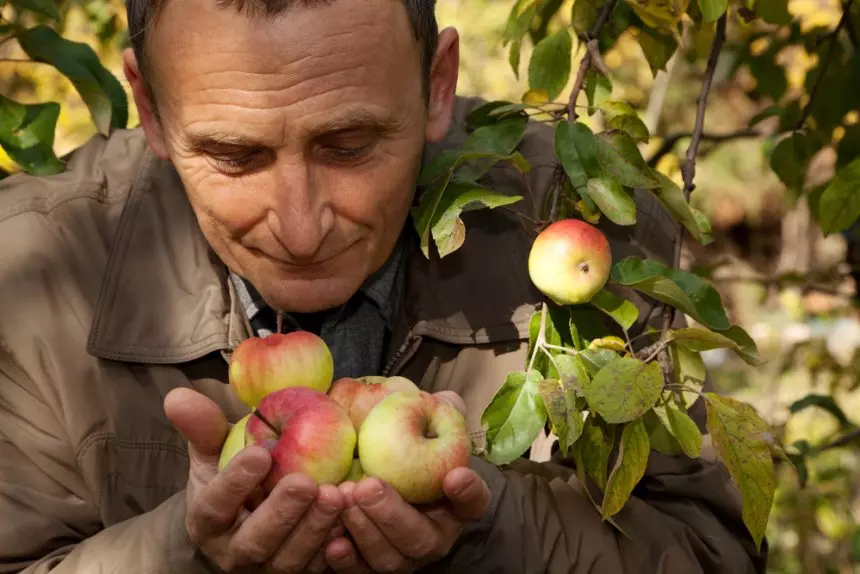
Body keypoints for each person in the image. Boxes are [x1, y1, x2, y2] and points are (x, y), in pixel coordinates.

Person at [0, 0, 767, 572]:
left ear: (437, 84)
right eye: (234, 157)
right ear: (149, 106)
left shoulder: (582, 225)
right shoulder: (30, 273)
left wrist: (489, 526)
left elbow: (714, 555)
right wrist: (182, 549)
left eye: (350, 144)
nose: (299, 229)